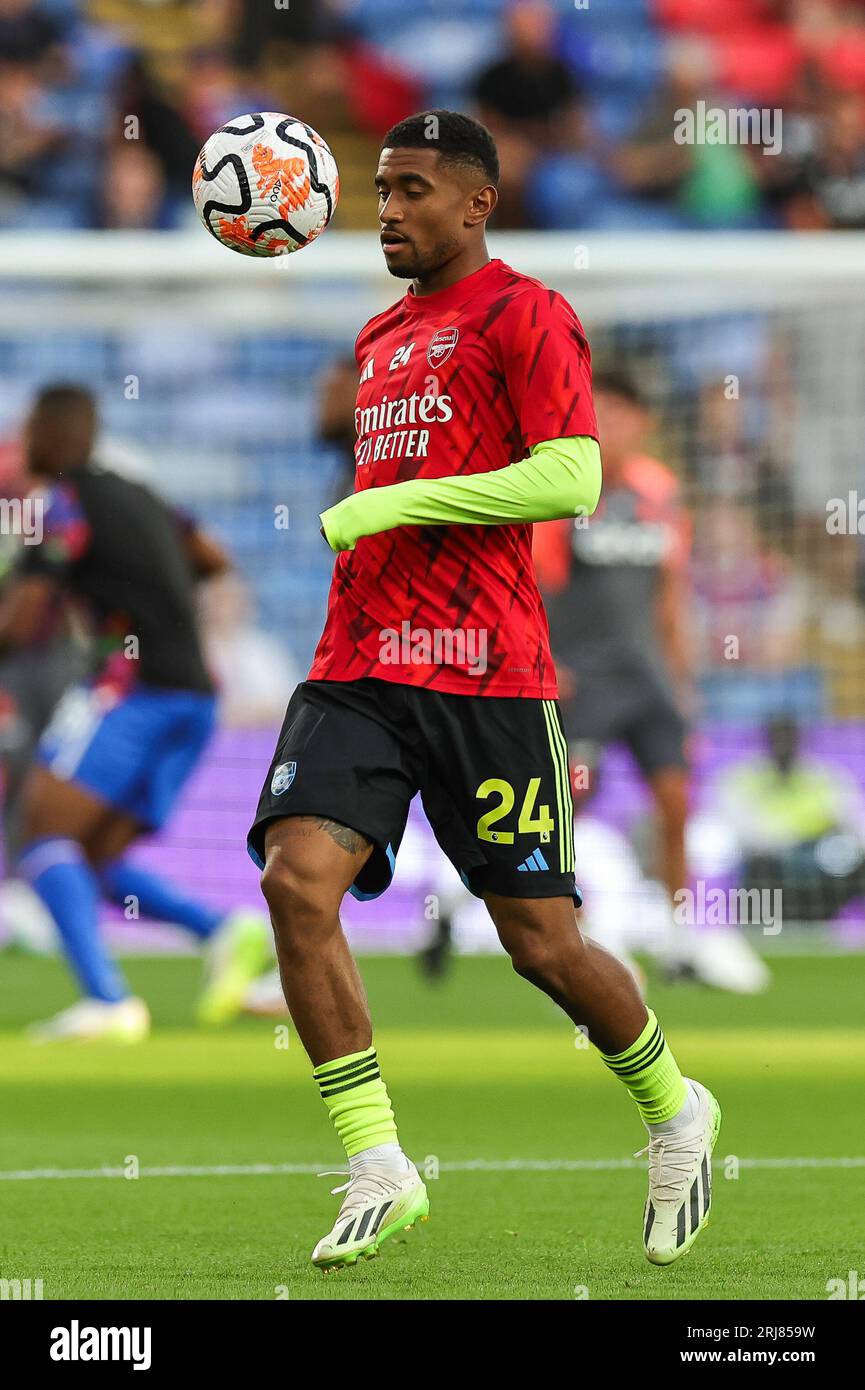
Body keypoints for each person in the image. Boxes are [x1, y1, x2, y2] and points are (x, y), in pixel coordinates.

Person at [247, 110, 722, 1272]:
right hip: (359, 663)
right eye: (377, 189)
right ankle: (377, 1164)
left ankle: (674, 1110)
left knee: (542, 946)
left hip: (490, 673)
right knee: (294, 880)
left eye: (411, 189)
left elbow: (572, 473)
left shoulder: (528, 312)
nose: (388, 210)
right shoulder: (376, 337)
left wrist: (393, 505)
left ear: (476, 204)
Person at [0, 385, 269, 1040]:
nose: (23, 437)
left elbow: (24, 616)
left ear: (59, 433)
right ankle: (224, 932)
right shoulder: (143, 497)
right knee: (90, 860)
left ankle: (108, 1001)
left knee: (39, 834)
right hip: (197, 697)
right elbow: (213, 557)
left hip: (132, 689)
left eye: (32, 425)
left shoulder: (62, 505)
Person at [534, 370, 769, 995]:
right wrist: (544, 661)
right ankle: (577, 935)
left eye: (620, 414)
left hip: (649, 679)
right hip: (581, 680)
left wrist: (681, 677)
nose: (608, 426)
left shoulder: (660, 493)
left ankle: (682, 933)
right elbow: (533, 585)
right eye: (597, 414)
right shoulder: (565, 493)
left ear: (644, 423)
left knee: (675, 801)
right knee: (566, 808)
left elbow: (670, 594)